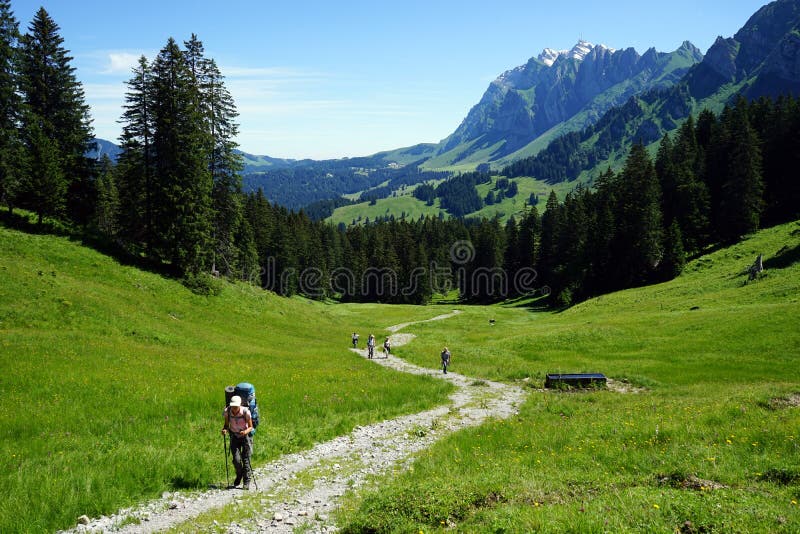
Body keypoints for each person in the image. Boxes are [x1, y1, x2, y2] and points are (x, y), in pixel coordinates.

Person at [221, 395, 253, 490]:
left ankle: (246, 481)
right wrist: (224, 430)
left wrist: (245, 432)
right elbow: (226, 425)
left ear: (239, 405)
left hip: (245, 437)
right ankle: (239, 476)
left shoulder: (245, 412)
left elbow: (251, 427)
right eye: (233, 406)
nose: (234, 408)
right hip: (234, 436)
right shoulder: (227, 412)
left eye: (236, 406)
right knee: (236, 460)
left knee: (246, 459)